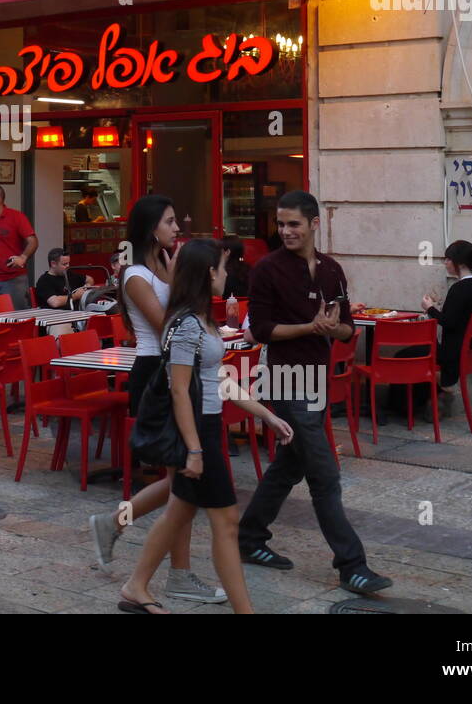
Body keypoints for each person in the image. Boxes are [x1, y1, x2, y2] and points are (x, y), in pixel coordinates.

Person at [119, 240, 294, 614]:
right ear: (208, 274)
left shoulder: (199, 320)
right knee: (227, 521)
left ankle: (136, 585)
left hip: (205, 428)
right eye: (222, 268)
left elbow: (218, 381)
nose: (227, 274)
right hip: (198, 431)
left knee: (179, 512)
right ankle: (244, 611)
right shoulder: (185, 324)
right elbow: (179, 390)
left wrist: (265, 414)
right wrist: (196, 450)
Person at [238, 190, 392, 596]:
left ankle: (249, 537)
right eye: (281, 224)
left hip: (316, 376)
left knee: (289, 465)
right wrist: (310, 327)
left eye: (294, 224)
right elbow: (263, 330)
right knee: (324, 473)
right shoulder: (266, 269)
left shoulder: (331, 270)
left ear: (314, 224)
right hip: (285, 377)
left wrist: (332, 328)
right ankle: (352, 566)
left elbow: (347, 328)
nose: (286, 231)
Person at [89, 194, 224, 603]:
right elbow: (168, 327)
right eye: (169, 222)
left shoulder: (159, 270)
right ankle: (127, 534)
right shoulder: (135, 276)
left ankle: (119, 526)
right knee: (181, 482)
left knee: (179, 483)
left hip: (173, 371)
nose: (176, 228)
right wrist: (174, 281)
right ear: (152, 229)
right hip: (156, 375)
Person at [416, 240, 472, 420]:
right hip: (467, 353)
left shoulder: (460, 288)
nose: (446, 263)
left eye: (448, 259)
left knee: (406, 355)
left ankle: (409, 409)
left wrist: (429, 308)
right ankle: (439, 399)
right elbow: (457, 318)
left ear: (461, 263)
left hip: (452, 354)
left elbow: (448, 322)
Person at [0, 184, 36, 310]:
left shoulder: (16, 217)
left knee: (16, 317)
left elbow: (33, 241)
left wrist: (23, 257)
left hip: (13, 278)